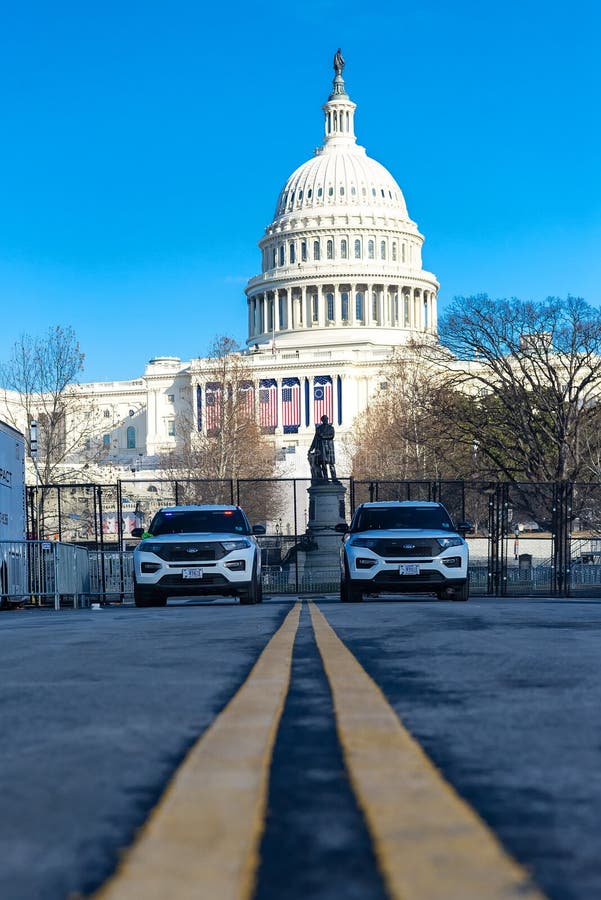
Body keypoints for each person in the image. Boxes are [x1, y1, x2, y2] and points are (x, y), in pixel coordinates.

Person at [308, 415, 337, 482]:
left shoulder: (331, 428)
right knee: (323, 464)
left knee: (331, 464)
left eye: (326, 419)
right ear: (322, 420)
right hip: (322, 448)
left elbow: (331, 436)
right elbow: (315, 439)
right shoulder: (319, 429)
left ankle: (334, 478)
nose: (325, 420)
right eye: (324, 419)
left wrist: (322, 436)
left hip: (329, 448)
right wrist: (311, 448)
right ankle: (325, 479)